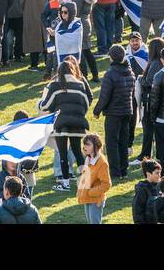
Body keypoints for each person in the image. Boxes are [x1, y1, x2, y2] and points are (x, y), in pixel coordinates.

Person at [38, 56, 91, 191]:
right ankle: (85, 183)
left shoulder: (56, 85)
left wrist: (39, 104)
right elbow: (85, 102)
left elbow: (46, 105)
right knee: (78, 153)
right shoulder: (79, 84)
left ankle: (65, 183)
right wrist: (78, 114)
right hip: (78, 123)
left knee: (62, 153)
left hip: (61, 123)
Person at [92, 43, 135, 180]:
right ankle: (124, 169)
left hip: (113, 113)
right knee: (123, 140)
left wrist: (97, 110)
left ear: (111, 57)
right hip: (127, 111)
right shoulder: (130, 72)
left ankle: (115, 172)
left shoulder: (110, 74)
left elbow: (104, 96)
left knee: (112, 142)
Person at [76, 131, 111, 223]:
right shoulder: (88, 158)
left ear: (96, 146)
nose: (84, 147)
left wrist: (91, 192)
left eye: (88, 144)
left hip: (96, 199)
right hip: (87, 197)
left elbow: (106, 184)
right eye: (84, 144)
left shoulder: (102, 163)